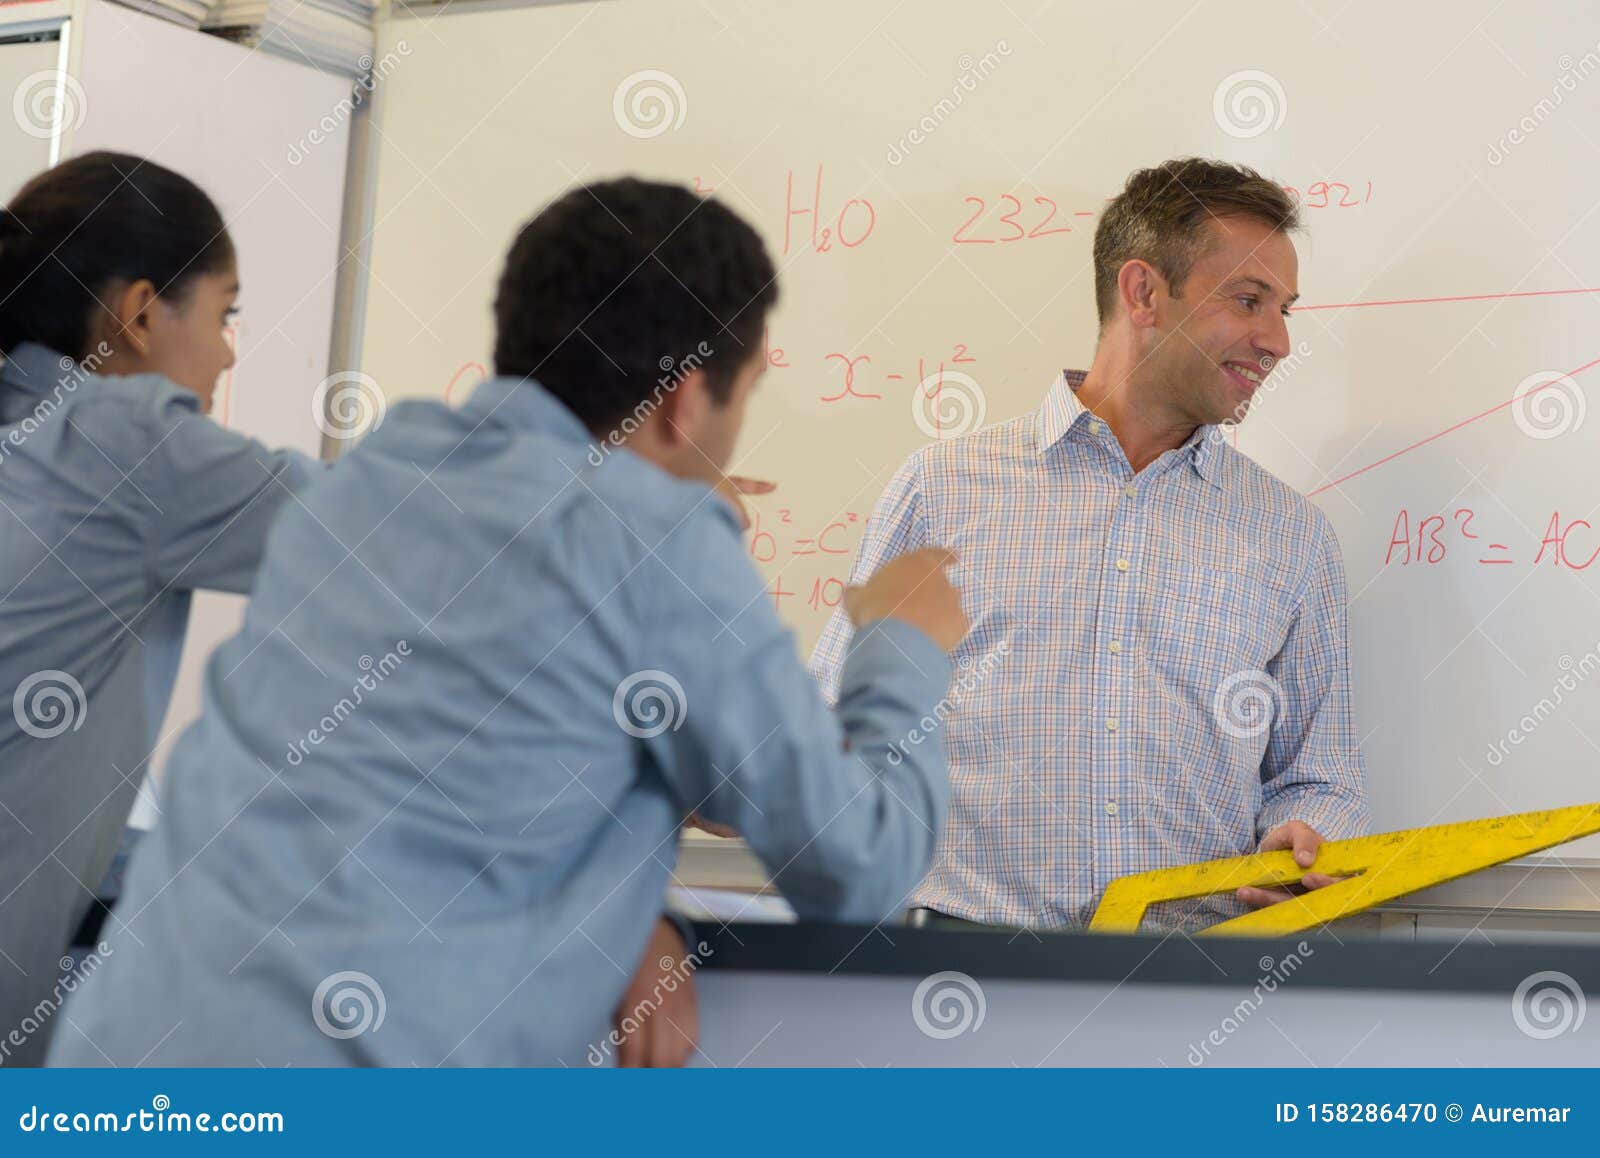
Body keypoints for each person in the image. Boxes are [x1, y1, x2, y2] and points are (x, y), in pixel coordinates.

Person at [50, 177, 968, 1067]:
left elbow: (443, 782)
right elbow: (856, 865)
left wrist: (627, 912)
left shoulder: (366, 484)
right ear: (688, 400)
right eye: (748, 392)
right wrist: (901, 644)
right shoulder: (662, 546)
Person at [810, 157, 1368, 933]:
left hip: (1196, 990)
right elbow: (837, 722)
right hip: (961, 976)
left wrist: (1304, 841)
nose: (1275, 339)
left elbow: (1322, 777)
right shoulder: (943, 489)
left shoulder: (1292, 536)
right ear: (1143, 292)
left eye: (1284, 309)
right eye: (1248, 300)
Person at [0, 152, 322, 1064]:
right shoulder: (117, 439)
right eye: (226, 315)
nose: (226, 351)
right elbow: (388, 530)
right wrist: (632, 495)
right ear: (141, 314)